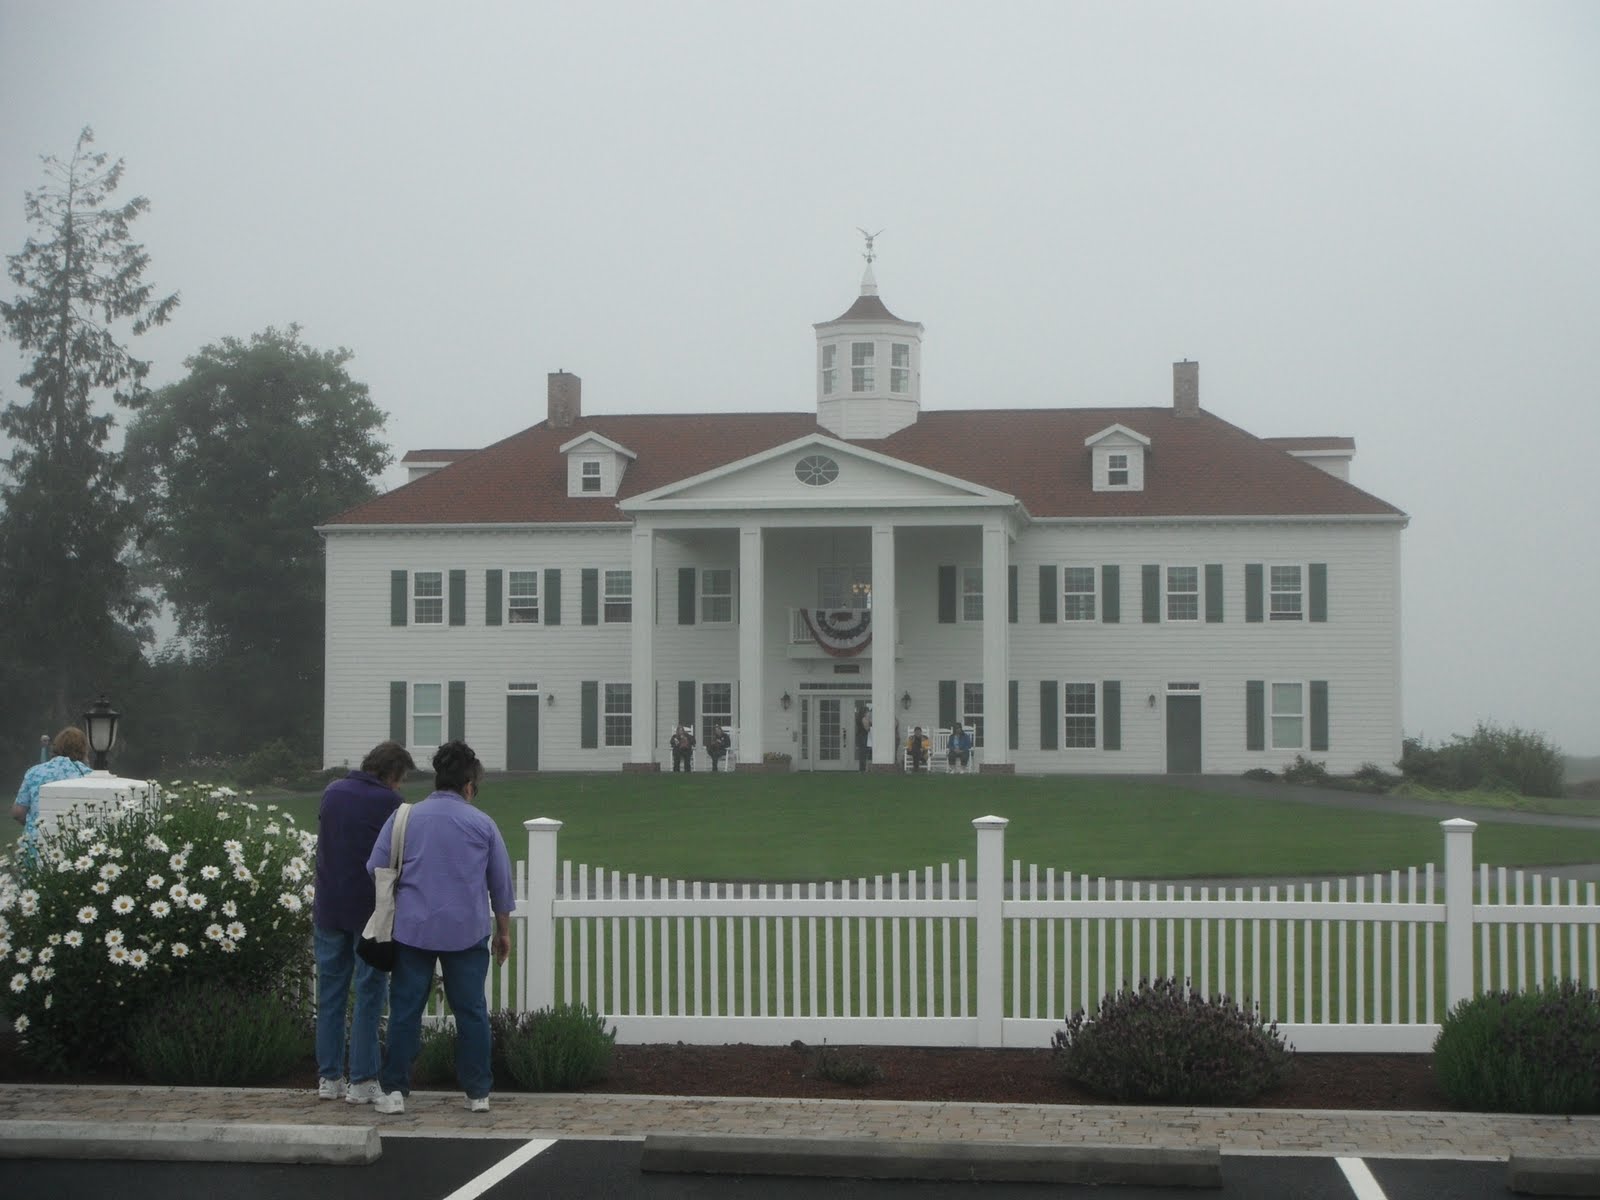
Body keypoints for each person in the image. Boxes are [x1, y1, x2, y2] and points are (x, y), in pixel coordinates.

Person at [368, 741, 514, 1115]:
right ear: (468, 785)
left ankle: (396, 1089)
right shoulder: (482, 824)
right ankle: (478, 1091)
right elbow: (501, 884)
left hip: (413, 929)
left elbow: (375, 867)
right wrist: (503, 932)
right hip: (466, 931)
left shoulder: (405, 817)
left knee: (405, 1010)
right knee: (471, 1011)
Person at [312, 739, 415, 1103]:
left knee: (330, 994)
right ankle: (362, 1080)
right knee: (369, 994)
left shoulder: (333, 792)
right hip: (370, 913)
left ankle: (328, 1078)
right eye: (400, 779)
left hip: (328, 906)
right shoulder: (390, 803)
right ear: (392, 775)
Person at [11, 727, 92, 856]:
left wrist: (34, 823)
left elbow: (18, 813)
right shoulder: (88, 775)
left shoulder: (35, 772)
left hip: (35, 847)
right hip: (74, 847)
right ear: (83, 749)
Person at [856, 706, 872, 773]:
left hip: (861, 736)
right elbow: (867, 729)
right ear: (865, 712)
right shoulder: (864, 719)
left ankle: (862, 769)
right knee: (864, 753)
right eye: (868, 712)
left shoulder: (861, 718)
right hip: (864, 737)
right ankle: (863, 769)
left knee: (862, 753)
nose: (869, 713)